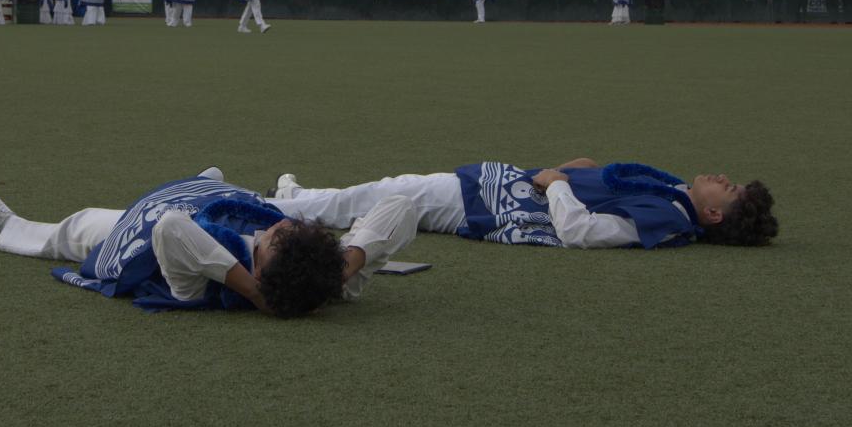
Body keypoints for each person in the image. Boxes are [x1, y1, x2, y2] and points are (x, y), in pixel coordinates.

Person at [0, 168, 418, 316]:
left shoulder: (206, 287)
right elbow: (401, 206)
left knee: (81, 227)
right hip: (211, 214)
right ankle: (203, 184)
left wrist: (254, 294)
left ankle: (11, 229)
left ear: (262, 272)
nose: (284, 227)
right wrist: (343, 268)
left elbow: (171, 228)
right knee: (222, 193)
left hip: (144, 244)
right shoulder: (325, 277)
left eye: (280, 239)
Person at [269, 159, 778, 250]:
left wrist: (557, 183)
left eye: (729, 189)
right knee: (384, 192)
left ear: (714, 215)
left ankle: (284, 206)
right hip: (498, 190)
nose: (722, 178)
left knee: (384, 193)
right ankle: (299, 200)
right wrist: (575, 171)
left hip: (490, 206)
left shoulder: (669, 220)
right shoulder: (674, 201)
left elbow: (580, 231)